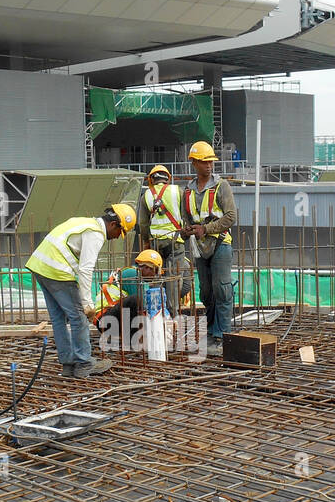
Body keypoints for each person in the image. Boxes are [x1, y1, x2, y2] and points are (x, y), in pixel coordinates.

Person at [25, 203, 136, 378]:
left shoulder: (84, 222)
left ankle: (68, 365)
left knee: (58, 319)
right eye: (119, 233)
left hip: (40, 266)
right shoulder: (96, 234)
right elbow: (86, 269)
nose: (116, 238)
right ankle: (84, 363)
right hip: (57, 269)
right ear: (114, 225)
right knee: (79, 317)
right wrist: (87, 303)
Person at [184, 140, 236, 358]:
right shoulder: (187, 190)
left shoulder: (221, 186)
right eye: (204, 162)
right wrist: (186, 230)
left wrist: (206, 228)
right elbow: (187, 217)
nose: (209, 165)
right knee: (206, 291)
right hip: (199, 246)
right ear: (195, 163)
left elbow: (231, 217)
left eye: (211, 162)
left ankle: (223, 335)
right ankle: (212, 331)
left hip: (220, 243)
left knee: (222, 289)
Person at [136, 166, 191, 307]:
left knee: (156, 276)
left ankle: (156, 310)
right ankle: (171, 314)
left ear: (152, 179)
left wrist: (146, 244)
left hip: (155, 243)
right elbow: (186, 215)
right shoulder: (177, 191)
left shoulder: (146, 195)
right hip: (175, 242)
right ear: (167, 178)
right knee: (173, 278)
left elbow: (143, 224)